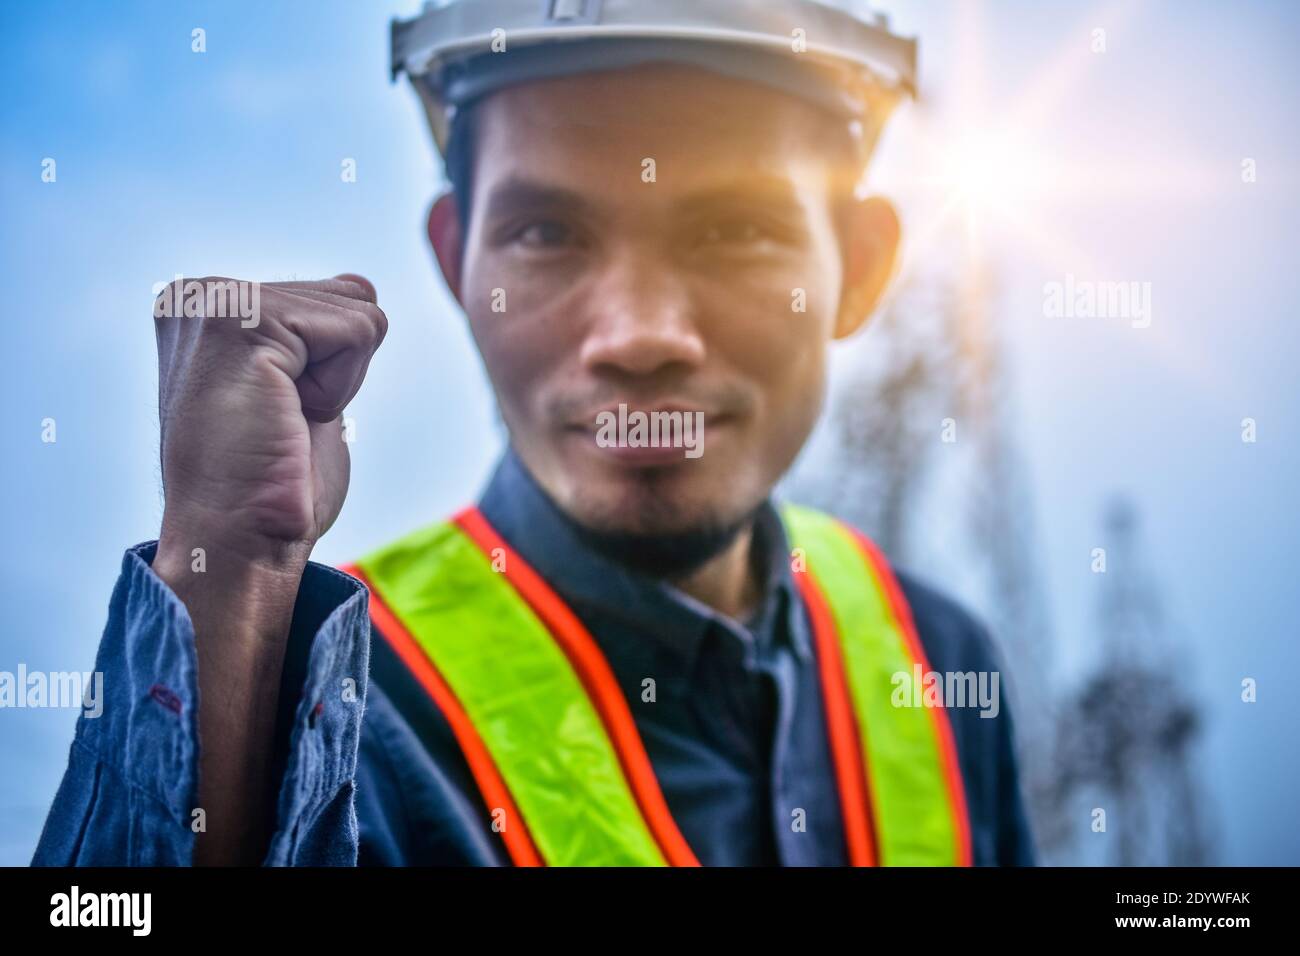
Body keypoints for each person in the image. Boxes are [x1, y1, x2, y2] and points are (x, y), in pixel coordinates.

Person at [33, 0, 1035, 866]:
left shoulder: (936, 659)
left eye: (735, 231)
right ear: (456, 263)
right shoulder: (332, 705)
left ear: (859, 269)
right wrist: (224, 583)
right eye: (547, 234)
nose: (641, 336)